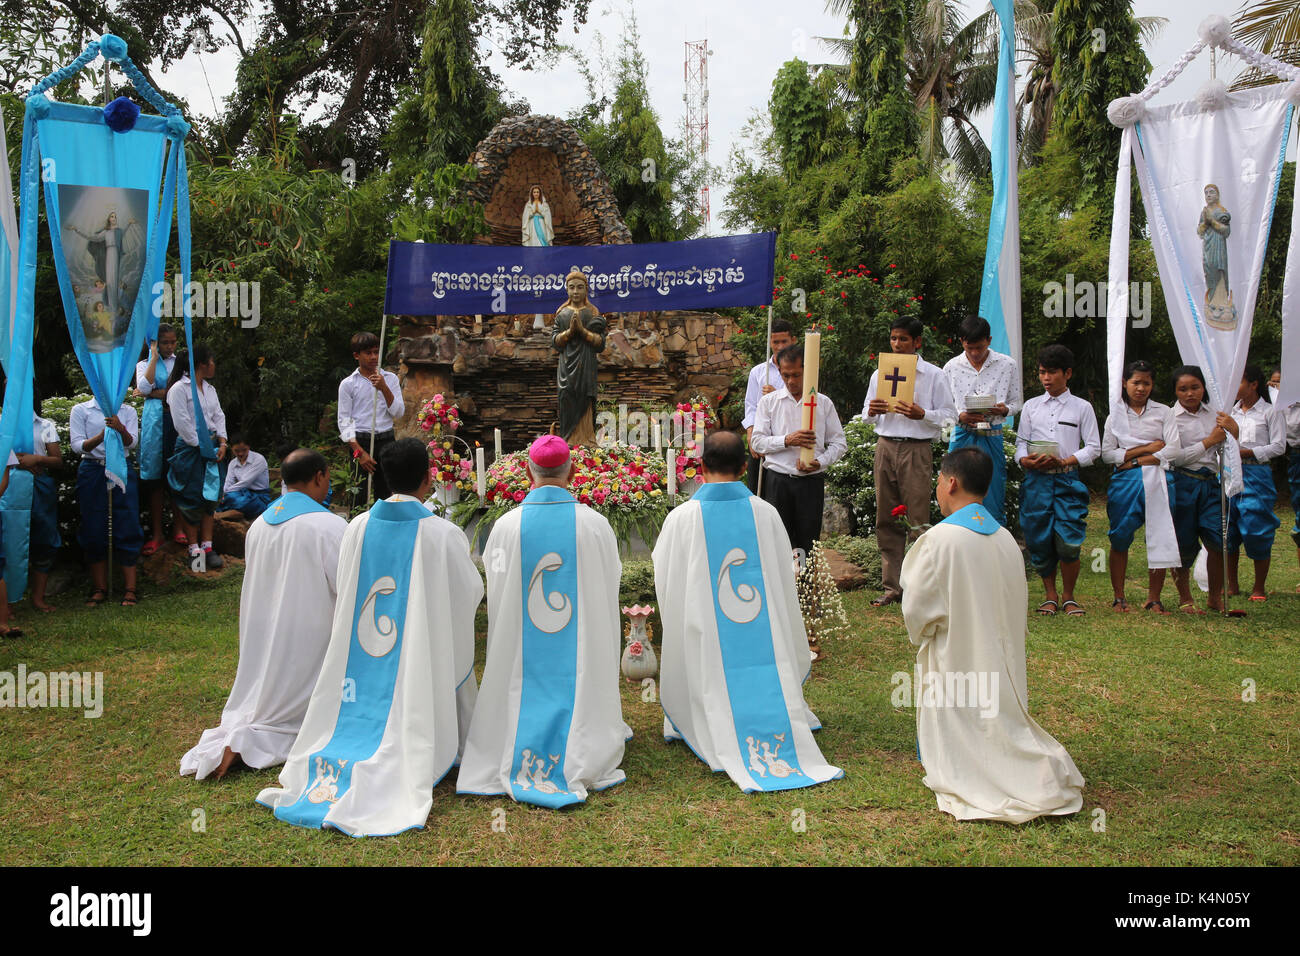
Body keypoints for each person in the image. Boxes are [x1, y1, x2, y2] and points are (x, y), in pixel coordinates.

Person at [258, 438, 481, 836]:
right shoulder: (444, 534)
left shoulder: (357, 526)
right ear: (429, 478)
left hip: (360, 656)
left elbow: (347, 587)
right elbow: (468, 593)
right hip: (417, 657)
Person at [900, 447, 1084, 823]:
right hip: (1002, 659)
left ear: (951, 482)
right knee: (999, 719)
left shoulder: (938, 540)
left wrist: (924, 632)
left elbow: (917, 612)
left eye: (939, 480)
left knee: (972, 735)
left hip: (958, 659)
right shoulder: (1005, 540)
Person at [653, 431, 842, 793]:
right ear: (745, 466)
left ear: (700, 467)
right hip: (761, 633)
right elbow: (784, 575)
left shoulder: (682, 518)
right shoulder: (766, 513)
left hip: (707, 638)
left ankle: (702, 711)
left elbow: (666, 576)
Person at [457, 435, 628, 808]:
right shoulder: (595, 525)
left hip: (522, 643)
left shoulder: (504, 526)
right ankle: (584, 735)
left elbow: (497, 585)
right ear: (571, 471)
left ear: (528, 472)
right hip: (578, 644)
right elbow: (609, 580)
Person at [182, 449, 347, 781]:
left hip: (265, 629)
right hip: (310, 632)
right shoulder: (329, 525)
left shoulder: (259, 524)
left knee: (266, 687)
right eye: (327, 477)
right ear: (319, 477)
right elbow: (347, 584)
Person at [861, 317, 956, 606]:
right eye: (893, 339)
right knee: (886, 516)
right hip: (886, 445)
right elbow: (866, 414)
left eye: (903, 339)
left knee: (917, 518)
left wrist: (922, 414)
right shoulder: (880, 374)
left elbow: (950, 418)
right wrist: (873, 410)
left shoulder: (934, 375)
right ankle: (892, 586)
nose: (897, 344)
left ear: (917, 342)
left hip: (916, 448)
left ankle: (920, 585)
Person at [1015, 344, 1100, 616]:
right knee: (1039, 537)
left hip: (1067, 480)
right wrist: (1025, 460)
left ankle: (1069, 596)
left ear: (1068, 373)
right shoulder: (1031, 407)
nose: (1046, 379)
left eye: (1052, 373)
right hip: (1037, 481)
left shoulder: (1082, 408)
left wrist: (1066, 460)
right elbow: (1020, 445)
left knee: (1069, 538)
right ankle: (1050, 595)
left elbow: (1094, 448)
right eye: (1042, 373)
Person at [749, 343, 847, 560]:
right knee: (778, 539)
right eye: (785, 376)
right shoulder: (769, 402)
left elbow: (840, 443)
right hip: (777, 481)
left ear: (807, 371)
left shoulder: (822, 403)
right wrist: (787, 440)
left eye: (796, 375)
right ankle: (782, 589)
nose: (791, 381)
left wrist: (820, 462)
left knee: (808, 541)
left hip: (810, 482)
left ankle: (806, 590)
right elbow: (757, 442)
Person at [1101, 360, 1180, 612]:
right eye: (1136, 382)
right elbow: (1107, 454)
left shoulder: (1164, 412)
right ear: (1125, 383)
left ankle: (1154, 597)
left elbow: (1173, 449)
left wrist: (1134, 459)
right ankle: (1119, 596)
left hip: (1159, 478)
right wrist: (1146, 448)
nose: (1141, 388)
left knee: (1159, 533)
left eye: (1146, 383)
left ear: (1152, 385)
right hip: (1125, 482)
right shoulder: (1116, 414)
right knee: (1120, 536)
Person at [942, 315, 1021, 527]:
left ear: (989, 340)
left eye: (979, 347)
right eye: (970, 349)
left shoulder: (1007, 364)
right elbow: (944, 406)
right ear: (962, 342)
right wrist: (960, 415)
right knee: (955, 485)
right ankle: (956, 535)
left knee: (993, 487)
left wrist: (1004, 410)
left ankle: (993, 537)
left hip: (992, 432)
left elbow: (1016, 403)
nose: (975, 354)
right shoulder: (951, 367)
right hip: (962, 432)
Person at [70, 395, 143, 607]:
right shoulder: (81, 409)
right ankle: (99, 588)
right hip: (92, 467)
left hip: (121, 464)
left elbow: (133, 443)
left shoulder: (127, 410)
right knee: (93, 524)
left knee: (127, 520)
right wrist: (102, 436)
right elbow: (78, 446)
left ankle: (130, 589)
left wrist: (120, 428)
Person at [1168, 365, 1229, 614]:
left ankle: (1215, 596)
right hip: (1183, 482)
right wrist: (1208, 442)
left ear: (1203, 387)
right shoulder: (1169, 417)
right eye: (1183, 389)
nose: (1190, 393)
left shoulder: (1216, 414)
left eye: (1195, 387)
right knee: (1183, 542)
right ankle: (1185, 598)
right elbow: (1175, 457)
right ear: (1175, 391)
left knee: (1218, 540)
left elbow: (1231, 442)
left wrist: (1229, 431)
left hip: (1211, 484)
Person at [1223, 364, 1284, 602]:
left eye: (1238, 382)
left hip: (1257, 475)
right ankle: (1232, 584)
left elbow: (1279, 446)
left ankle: (1259, 587)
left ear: (1253, 384)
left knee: (1257, 527)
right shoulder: (1229, 412)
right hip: (1229, 473)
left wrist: (1248, 453)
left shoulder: (1271, 411)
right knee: (1228, 528)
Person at [166, 345, 228, 571]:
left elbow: (218, 415)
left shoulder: (210, 389)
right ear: (202, 364)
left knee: (211, 497)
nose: (213, 365)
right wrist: (202, 447)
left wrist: (222, 442)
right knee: (191, 496)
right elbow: (182, 423)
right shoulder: (179, 390)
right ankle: (194, 550)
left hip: (212, 446)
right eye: (211, 360)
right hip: (192, 449)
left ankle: (208, 546)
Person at [338, 331, 404, 503]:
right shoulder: (348, 384)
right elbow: (344, 422)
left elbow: (399, 413)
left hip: (386, 440)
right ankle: (357, 529)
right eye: (368, 353)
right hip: (360, 442)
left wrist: (384, 388)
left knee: (387, 495)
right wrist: (359, 453)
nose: (374, 357)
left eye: (376, 352)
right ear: (356, 355)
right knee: (358, 496)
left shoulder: (390, 379)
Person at [551, 271, 606, 448]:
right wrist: (569, 332)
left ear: (586, 290)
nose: (576, 291)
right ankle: (568, 441)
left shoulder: (592, 313)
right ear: (566, 290)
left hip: (586, 365)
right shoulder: (562, 313)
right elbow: (555, 342)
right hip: (566, 367)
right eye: (572, 287)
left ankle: (587, 440)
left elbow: (600, 344)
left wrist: (583, 332)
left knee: (585, 398)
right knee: (566, 396)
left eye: (580, 287)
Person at [136, 324, 177, 555]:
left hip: (176, 422)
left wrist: (153, 393)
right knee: (156, 481)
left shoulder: (178, 362)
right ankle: (158, 534)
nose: (170, 347)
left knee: (178, 476)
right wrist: (153, 356)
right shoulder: (143, 364)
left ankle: (180, 529)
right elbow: (143, 385)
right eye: (164, 343)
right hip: (155, 423)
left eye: (173, 342)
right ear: (155, 343)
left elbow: (180, 390)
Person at [742, 319, 796, 494]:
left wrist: (776, 394)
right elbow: (750, 404)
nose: (780, 346)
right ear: (769, 342)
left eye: (784, 341)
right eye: (775, 342)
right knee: (756, 490)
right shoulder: (758, 372)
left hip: (786, 440)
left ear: (793, 341)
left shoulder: (802, 372)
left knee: (777, 494)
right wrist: (750, 433)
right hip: (761, 437)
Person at [219, 434, 273, 520]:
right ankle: (236, 510)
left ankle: (230, 510)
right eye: (236, 451)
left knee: (238, 500)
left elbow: (246, 482)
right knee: (230, 497)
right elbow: (228, 482)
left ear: (249, 447)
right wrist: (223, 494)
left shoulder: (259, 459)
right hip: (241, 494)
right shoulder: (233, 463)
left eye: (244, 450)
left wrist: (225, 494)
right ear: (231, 448)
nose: (240, 453)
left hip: (259, 497)